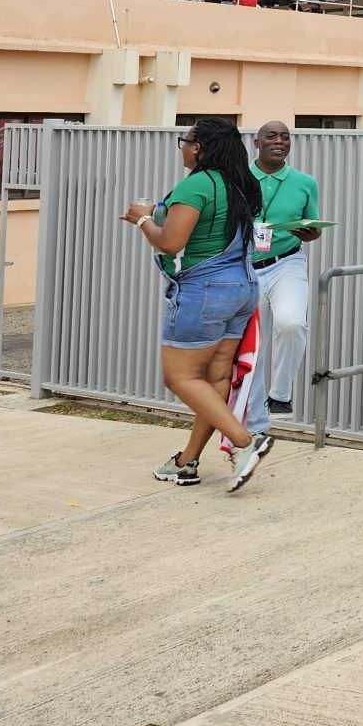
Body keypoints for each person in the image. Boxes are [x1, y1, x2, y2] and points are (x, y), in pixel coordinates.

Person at [122, 118, 274, 492]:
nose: (183, 148)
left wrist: (141, 218)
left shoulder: (196, 185)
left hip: (204, 293)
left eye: (185, 141)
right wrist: (156, 210)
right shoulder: (241, 183)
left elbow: (170, 242)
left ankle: (245, 442)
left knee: (180, 377)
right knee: (214, 380)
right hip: (242, 288)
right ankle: (187, 462)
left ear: (200, 148)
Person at [241, 121, 323, 435]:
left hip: (287, 261)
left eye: (285, 137)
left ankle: (280, 396)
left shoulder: (305, 182)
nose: (279, 141)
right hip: (245, 265)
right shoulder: (239, 178)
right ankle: (252, 402)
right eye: (271, 136)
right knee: (250, 337)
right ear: (257, 143)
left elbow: (312, 224)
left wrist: (312, 232)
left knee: (291, 322)